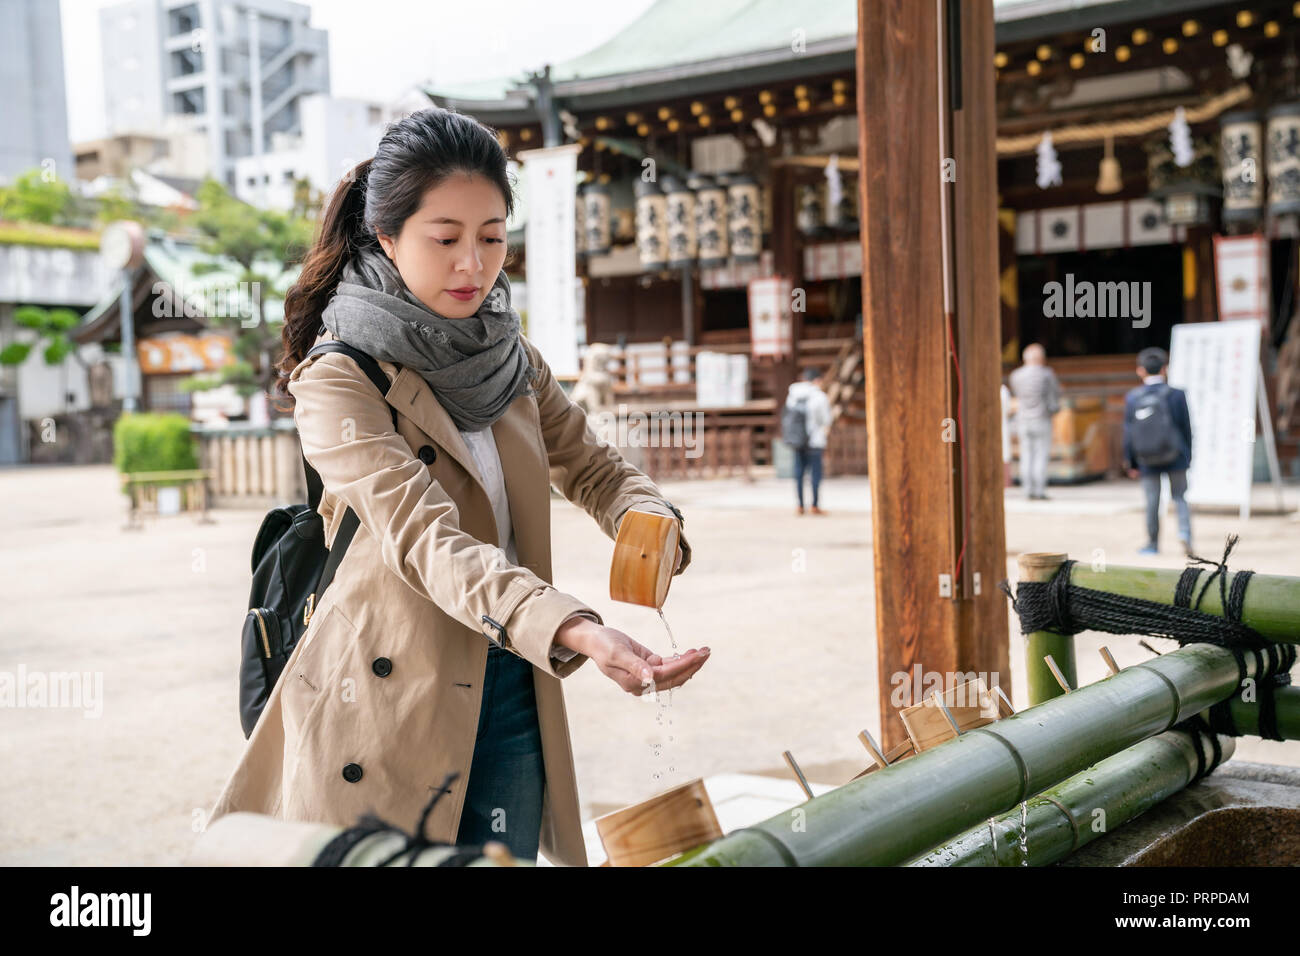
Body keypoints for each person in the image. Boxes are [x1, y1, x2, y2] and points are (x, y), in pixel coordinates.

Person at [206, 107, 709, 866]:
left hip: (512, 675)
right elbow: (428, 541)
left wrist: (649, 519)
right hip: (385, 694)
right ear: (386, 236)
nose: (473, 265)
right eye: (445, 240)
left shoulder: (510, 357)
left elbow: (595, 466)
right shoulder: (340, 378)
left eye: (493, 237)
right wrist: (576, 629)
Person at [1123, 346, 1193, 556]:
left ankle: (1152, 544)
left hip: (1146, 456)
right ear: (1165, 369)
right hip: (1176, 454)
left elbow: (1128, 433)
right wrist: (1188, 455)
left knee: (1152, 501)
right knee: (1180, 496)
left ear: (1140, 371)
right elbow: (1185, 427)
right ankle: (1184, 533)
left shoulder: (1133, 398)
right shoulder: (1177, 395)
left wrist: (1131, 462)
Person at [1008, 343, 1061, 500]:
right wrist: (1053, 410)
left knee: (1026, 455)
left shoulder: (1016, 375)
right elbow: (1053, 398)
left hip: (1023, 418)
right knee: (1040, 455)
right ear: (1041, 358)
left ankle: (1027, 490)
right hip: (1041, 418)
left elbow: (1017, 394)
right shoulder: (1046, 374)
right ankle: (1039, 490)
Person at [783, 367, 833, 515]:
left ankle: (799, 505)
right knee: (815, 473)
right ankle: (815, 505)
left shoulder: (792, 396)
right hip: (815, 440)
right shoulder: (820, 397)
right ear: (817, 380)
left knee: (799, 472)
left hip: (797, 440)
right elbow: (825, 420)